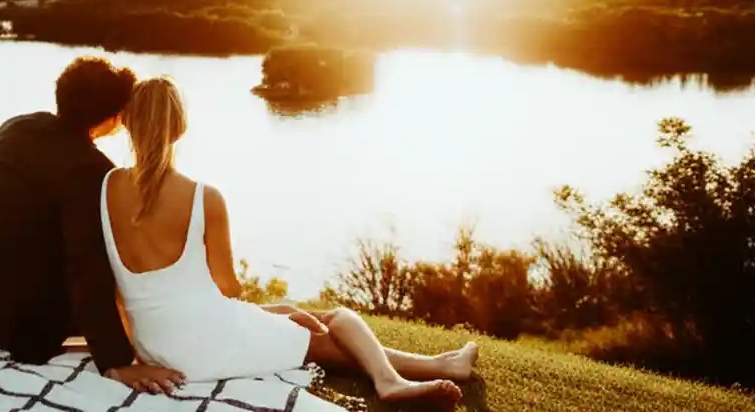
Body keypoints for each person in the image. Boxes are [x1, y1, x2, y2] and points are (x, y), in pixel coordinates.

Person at [101, 76, 477, 405]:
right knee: (330, 325)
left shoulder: (106, 188)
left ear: (128, 124)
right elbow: (228, 288)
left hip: (154, 346)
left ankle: (438, 365)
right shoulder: (204, 197)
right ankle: (391, 381)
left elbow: (126, 292)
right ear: (179, 129)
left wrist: (272, 312)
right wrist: (268, 313)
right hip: (204, 348)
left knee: (299, 320)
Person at [0, 56, 185, 394]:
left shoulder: (15, 128)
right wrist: (115, 361)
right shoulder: (92, 171)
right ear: (112, 117)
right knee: (129, 305)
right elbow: (86, 267)